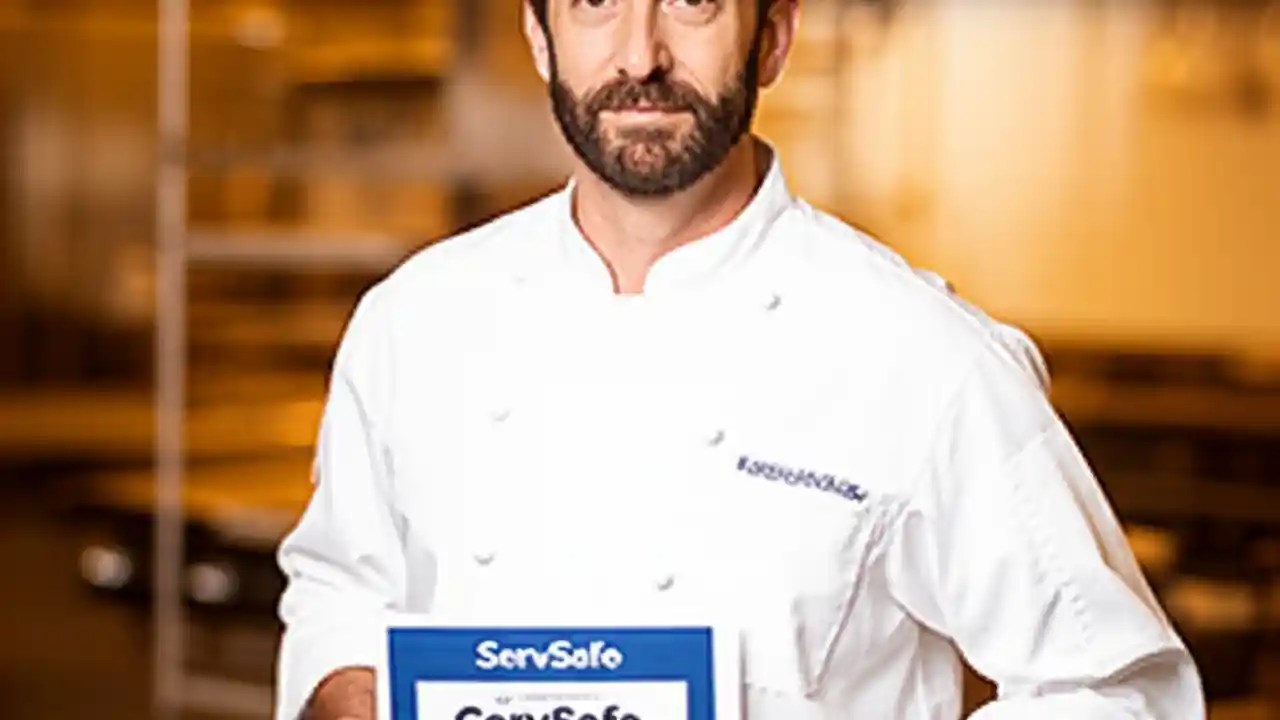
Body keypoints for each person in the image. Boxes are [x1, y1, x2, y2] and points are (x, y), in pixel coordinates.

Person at [274, 1, 1204, 718]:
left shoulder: (921, 354)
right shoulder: (416, 322)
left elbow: (1115, 688)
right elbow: (340, 589)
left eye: (694, 1)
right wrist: (351, 688)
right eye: (596, 2)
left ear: (773, 37)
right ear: (539, 36)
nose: (641, 55)